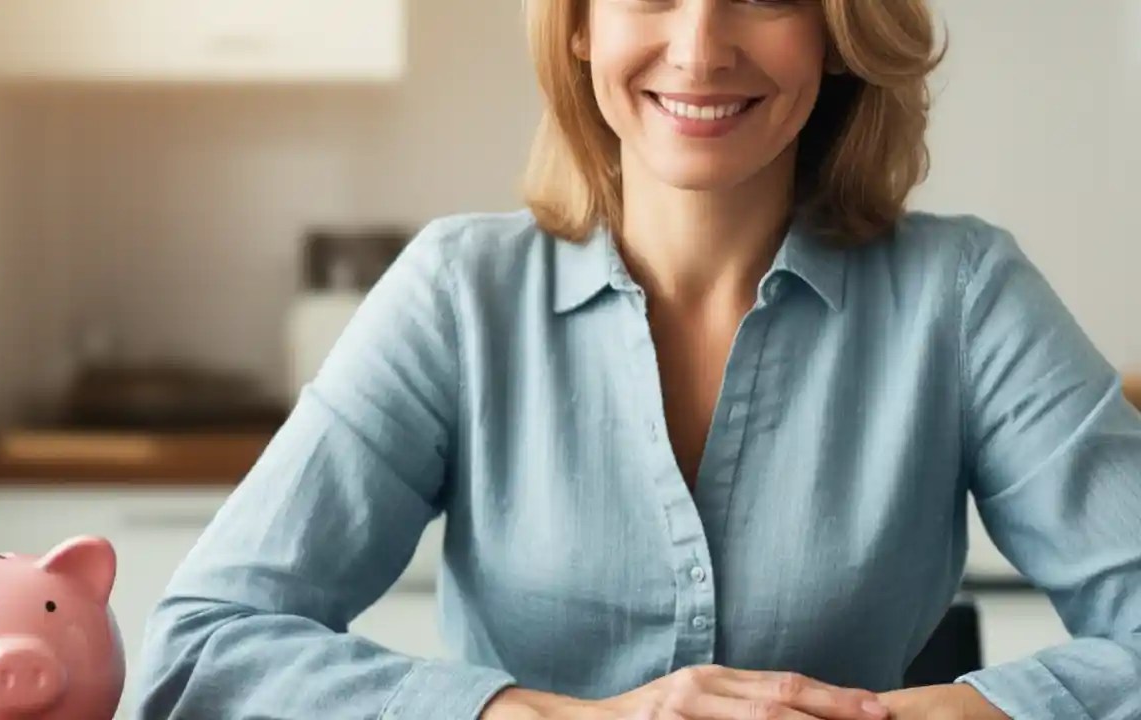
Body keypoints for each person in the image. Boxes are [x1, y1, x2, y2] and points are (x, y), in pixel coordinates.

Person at [135, 0, 1141, 718]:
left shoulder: (960, 294)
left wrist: (967, 715)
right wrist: (538, 717)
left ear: (834, 32)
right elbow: (201, 652)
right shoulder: (456, 292)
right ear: (577, 24)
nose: (699, 46)